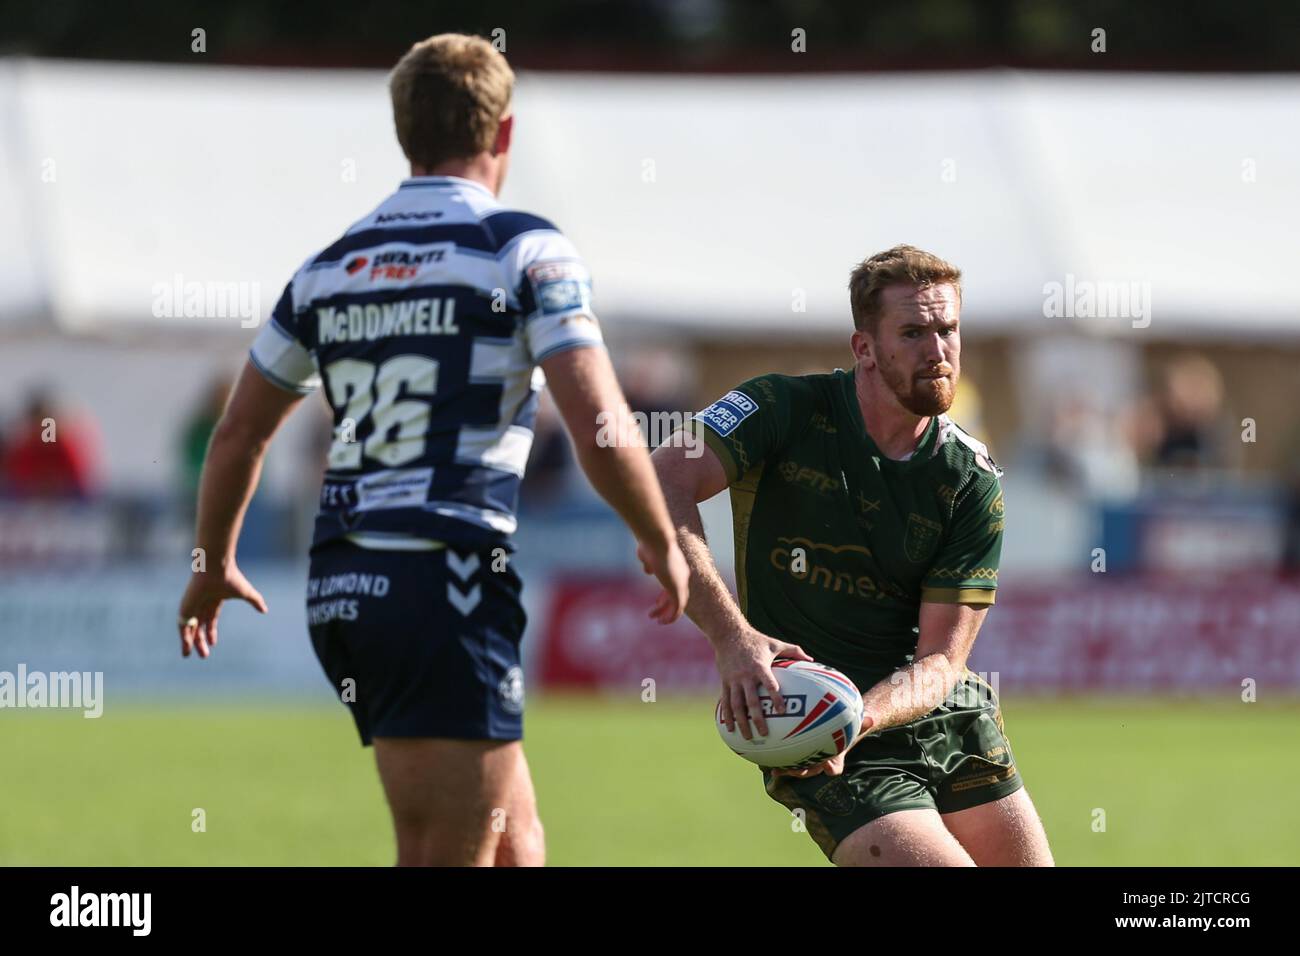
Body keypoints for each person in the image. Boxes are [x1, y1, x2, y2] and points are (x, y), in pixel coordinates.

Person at [176, 33, 689, 867]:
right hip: (438, 574)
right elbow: (598, 419)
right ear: (504, 133)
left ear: (402, 132)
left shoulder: (331, 266)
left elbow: (239, 431)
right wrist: (661, 537)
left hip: (347, 578)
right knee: (444, 850)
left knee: (515, 844)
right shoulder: (524, 248)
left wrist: (211, 561)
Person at [652, 245, 1053, 866]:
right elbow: (660, 481)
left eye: (948, 329)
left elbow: (941, 661)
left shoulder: (970, 479)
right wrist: (732, 637)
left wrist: (858, 716)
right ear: (863, 347)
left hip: (932, 716)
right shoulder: (780, 408)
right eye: (913, 332)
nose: (938, 349)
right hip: (814, 728)